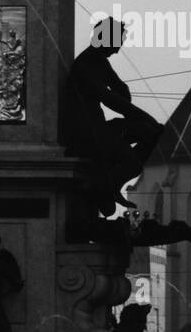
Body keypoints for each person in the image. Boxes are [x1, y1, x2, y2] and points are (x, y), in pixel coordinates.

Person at [62, 19, 163, 215]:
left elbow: (120, 91)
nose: (117, 51)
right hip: (84, 134)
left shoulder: (100, 61)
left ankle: (111, 182)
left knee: (152, 133)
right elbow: (111, 100)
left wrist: (128, 103)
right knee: (133, 162)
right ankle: (107, 186)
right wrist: (146, 117)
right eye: (116, 44)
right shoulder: (85, 64)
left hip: (98, 129)